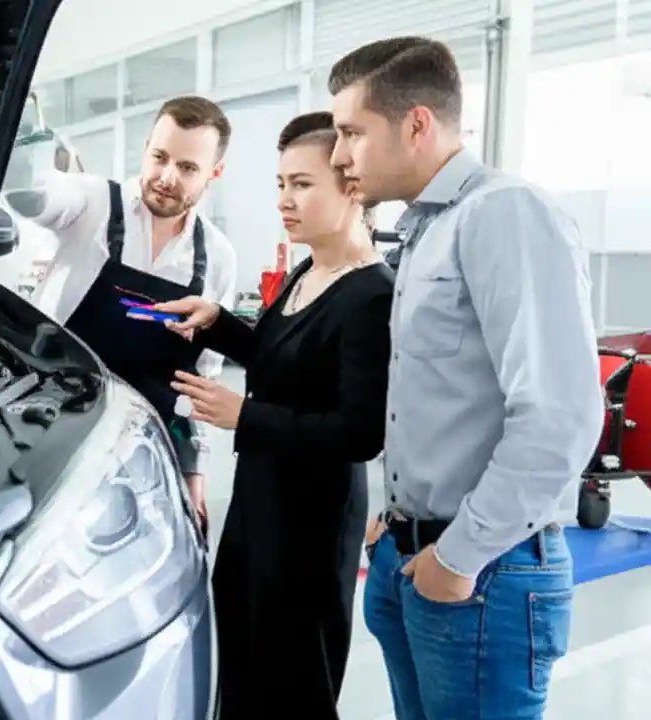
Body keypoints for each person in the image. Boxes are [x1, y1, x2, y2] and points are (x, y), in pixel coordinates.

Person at [327, 36, 604, 719]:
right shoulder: (427, 230)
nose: (339, 157)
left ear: (416, 124)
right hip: (413, 556)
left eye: (352, 133)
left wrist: (459, 555)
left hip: (486, 570)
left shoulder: (503, 213)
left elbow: (560, 414)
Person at [153, 110, 394, 718]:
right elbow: (280, 354)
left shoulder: (372, 295)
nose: (285, 200)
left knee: (293, 682)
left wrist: (245, 417)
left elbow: (359, 431)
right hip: (262, 502)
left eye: (303, 184)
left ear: (352, 186)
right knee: (241, 662)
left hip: (311, 522)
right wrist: (217, 324)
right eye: (281, 184)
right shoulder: (308, 270)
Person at [2, 95, 238, 531]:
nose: (166, 178)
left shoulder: (218, 257)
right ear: (146, 146)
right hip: (55, 432)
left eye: (187, 168)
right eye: (159, 157)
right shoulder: (92, 202)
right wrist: (22, 148)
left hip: (146, 449)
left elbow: (202, 378)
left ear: (214, 173)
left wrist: (194, 471)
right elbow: (34, 198)